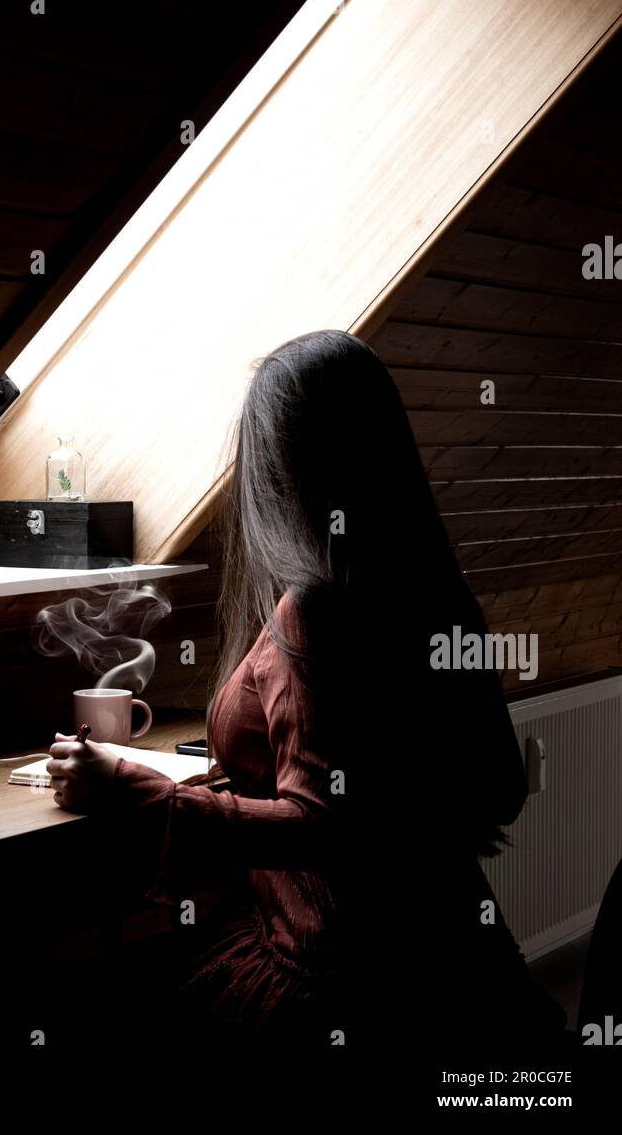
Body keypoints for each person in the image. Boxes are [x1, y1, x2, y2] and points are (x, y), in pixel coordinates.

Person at [46, 329, 567, 1068]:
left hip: (342, 989)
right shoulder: (434, 594)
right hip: (457, 964)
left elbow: (325, 824)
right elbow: (498, 785)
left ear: (280, 466)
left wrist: (140, 788)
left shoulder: (316, 611)